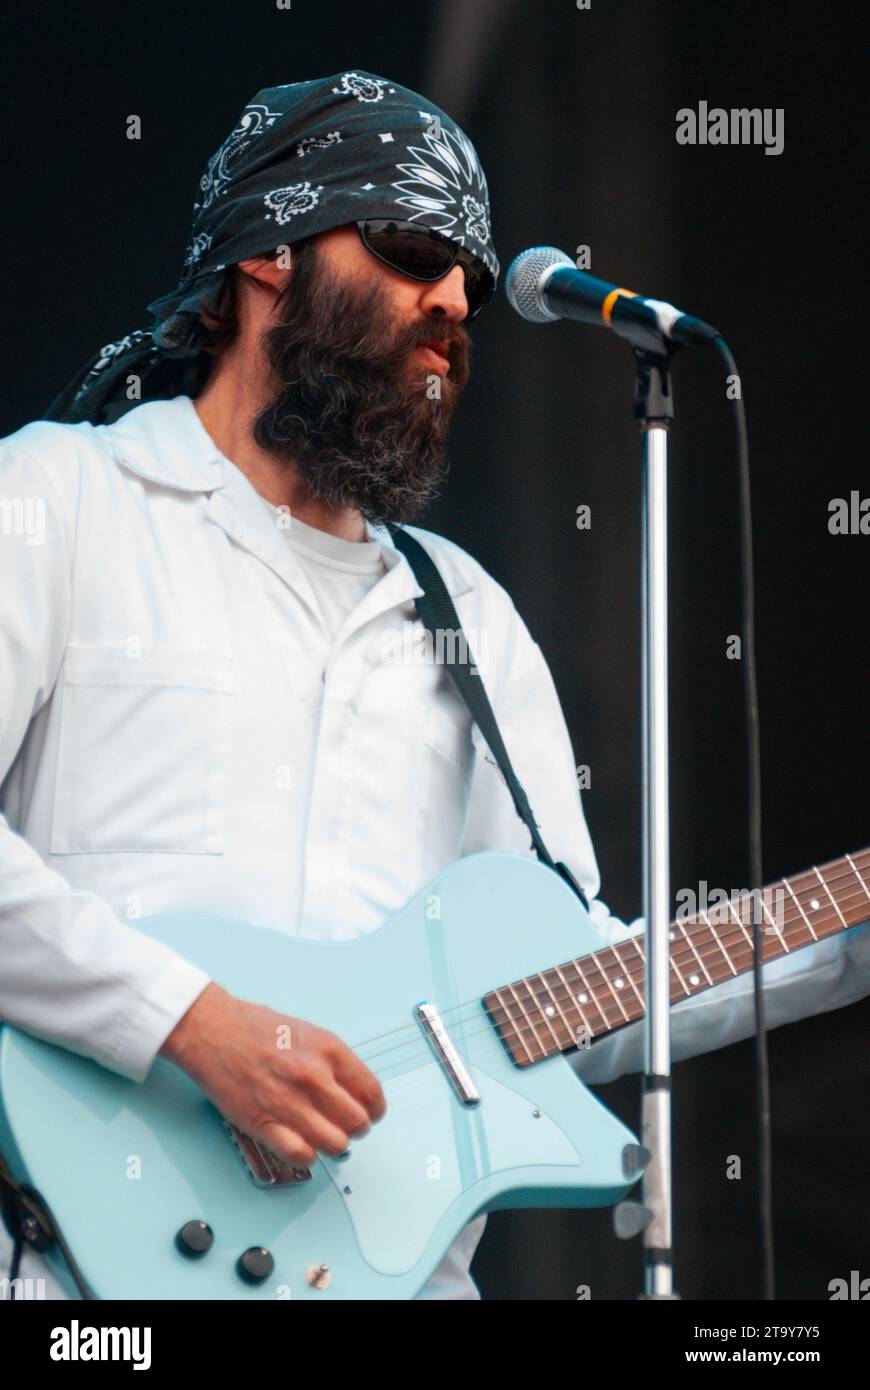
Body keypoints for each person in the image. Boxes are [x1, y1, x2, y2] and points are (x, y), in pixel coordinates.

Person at [1, 70, 867, 1302]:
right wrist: (190, 1021)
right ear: (270, 257)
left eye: (468, 272)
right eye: (412, 250)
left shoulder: (468, 616)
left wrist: (847, 938)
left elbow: (585, 991)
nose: (456, 298)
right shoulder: (63, 500)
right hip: (74, 1278)